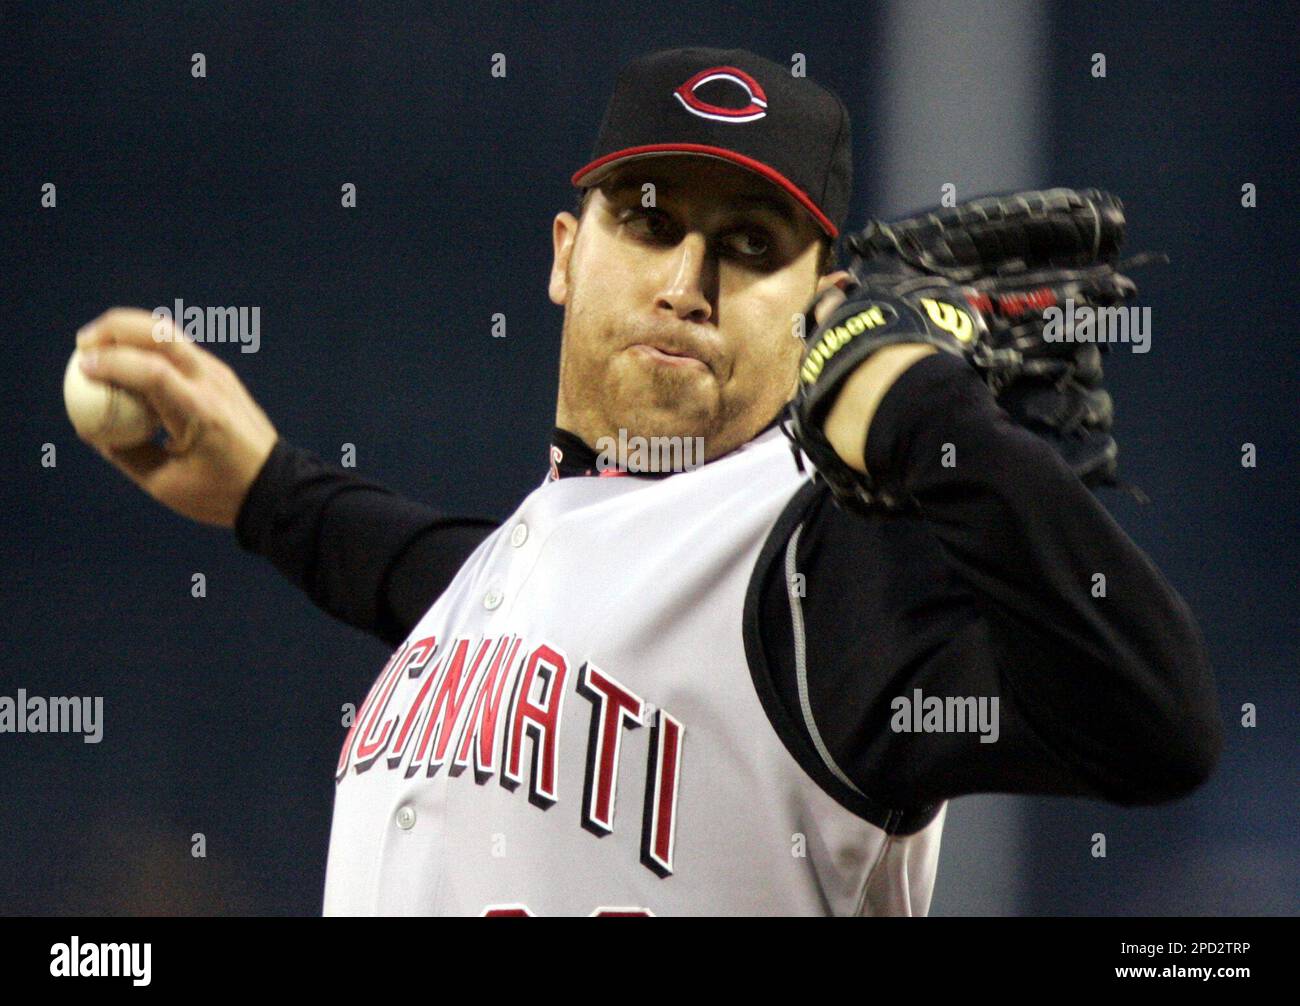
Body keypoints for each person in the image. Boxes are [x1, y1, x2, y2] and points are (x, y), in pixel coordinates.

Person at [73, 47, 1221, 916]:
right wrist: (266, 492)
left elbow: (1159, 730)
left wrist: (926, 416)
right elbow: (446, 582)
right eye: (648, 221)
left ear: (829, 298)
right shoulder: (522, 559)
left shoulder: (824, 559)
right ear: (567, 254)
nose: (688, 280)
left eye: (753, 245)